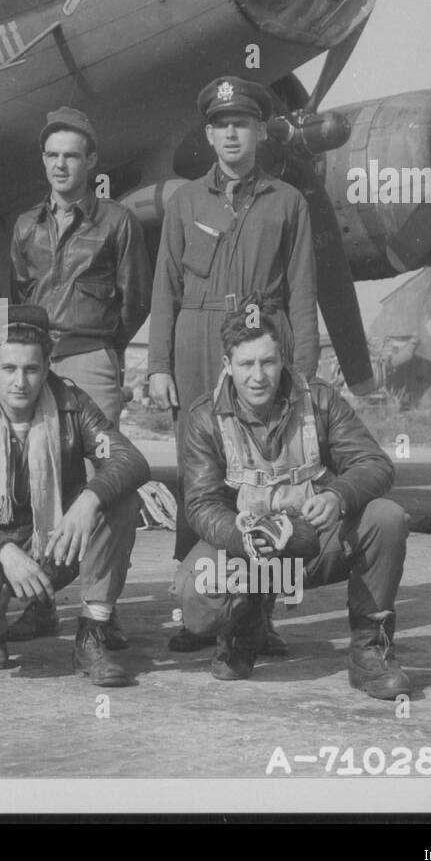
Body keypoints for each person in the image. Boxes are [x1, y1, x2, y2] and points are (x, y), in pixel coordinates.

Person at [147, 75, 319, 651]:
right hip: (198, 341)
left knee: (268, 477)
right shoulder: (185, 201)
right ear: (209, 133)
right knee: (198, 476)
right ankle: (193, 611)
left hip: (263, 342)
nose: (230, 135)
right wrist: (159, 364)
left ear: (260, 131)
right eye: (220, 126)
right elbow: (164, 288)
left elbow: (301, 291)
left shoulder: (287, 202)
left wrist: (307, 368)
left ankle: (257, 618)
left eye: (240, 124)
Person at [174, 309, 411, 700]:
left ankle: (371, 651)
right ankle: (244, 626)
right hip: (248, 552)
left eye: (268, 362)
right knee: (194, 594)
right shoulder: (204, 417)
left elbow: (374, 463)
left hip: (314, 542)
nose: (258, 375)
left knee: (386, 518)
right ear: (227, 365)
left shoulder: (319, 400)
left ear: (282, 358)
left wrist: (338, 496)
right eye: (246, 364)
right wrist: (241, 537)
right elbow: (200, 503)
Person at [0, 305, 150, 686]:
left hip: (54, 542)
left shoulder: (71, 406)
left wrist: (89, 499)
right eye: (9, 369)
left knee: (122, 498)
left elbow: (128, 459)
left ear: (48, 366)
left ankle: (91, 636)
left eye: (31, 369)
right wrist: (1, 549)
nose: (20, 381)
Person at [9, 107, 150, 641]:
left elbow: (134, 299)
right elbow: (22, 296)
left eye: (72, 155)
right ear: (43, 161)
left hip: (92, 357)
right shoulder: (26, 225)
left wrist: (103, 349)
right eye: (52, 155)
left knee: (102, 481)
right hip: (38, 361)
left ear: (91, 161)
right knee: (34, 477)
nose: (61, 165)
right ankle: (37, 600)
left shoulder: (117, 222)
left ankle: (99, 610)